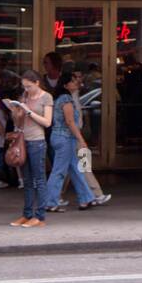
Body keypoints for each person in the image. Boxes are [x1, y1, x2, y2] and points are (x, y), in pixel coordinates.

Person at [43, 64, 100, 214]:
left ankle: (86, 198)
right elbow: (70, 122)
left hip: (59, 137)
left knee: (75, 168)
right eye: (74, 81)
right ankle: (50, 202)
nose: (77, 83)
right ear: (66, 84)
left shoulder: (61, 98)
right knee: (59, 171)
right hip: (65, 138)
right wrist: (81, 139)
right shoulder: (66, 99)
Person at [9, 70, 53, 226]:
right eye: (24, 86)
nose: (26, 89)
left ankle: (40, 216)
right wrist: (15, 112)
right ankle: (27, 214)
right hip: (24, 140)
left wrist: (28, 111)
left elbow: (47, 122)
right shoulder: (24, 97)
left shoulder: (46, 97)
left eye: (28, 86)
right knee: (27, 180)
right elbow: (18, 122)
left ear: (37, 83)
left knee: (39, 179)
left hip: (37, 141)